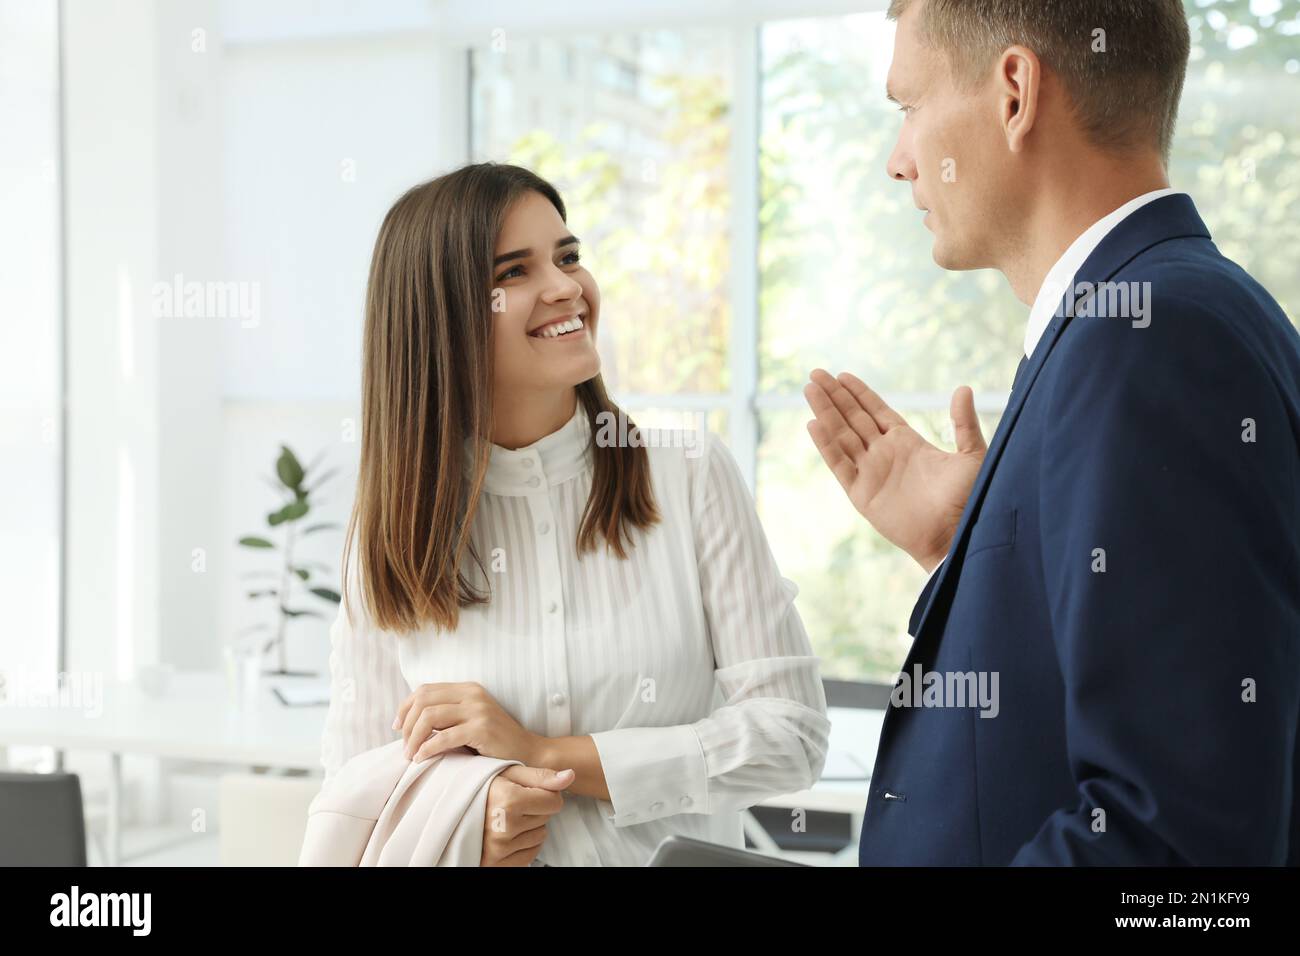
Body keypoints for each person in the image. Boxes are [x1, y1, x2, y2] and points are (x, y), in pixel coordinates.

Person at [805, 0, 1300, 864]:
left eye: (908, 108)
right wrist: (974, 549)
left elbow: (1175, 842)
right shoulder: (1150, 315)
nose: (897, 161)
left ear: (1013, 92)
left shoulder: (1145, 338)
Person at [322, 162, 830, 866]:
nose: (568, 288)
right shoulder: (391, 535)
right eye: (515, 272)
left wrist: (547, 755)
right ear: (442, 316)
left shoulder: (688, 476)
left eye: (568, 257)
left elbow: (791, 736)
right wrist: (473, 821)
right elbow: (357, 792)